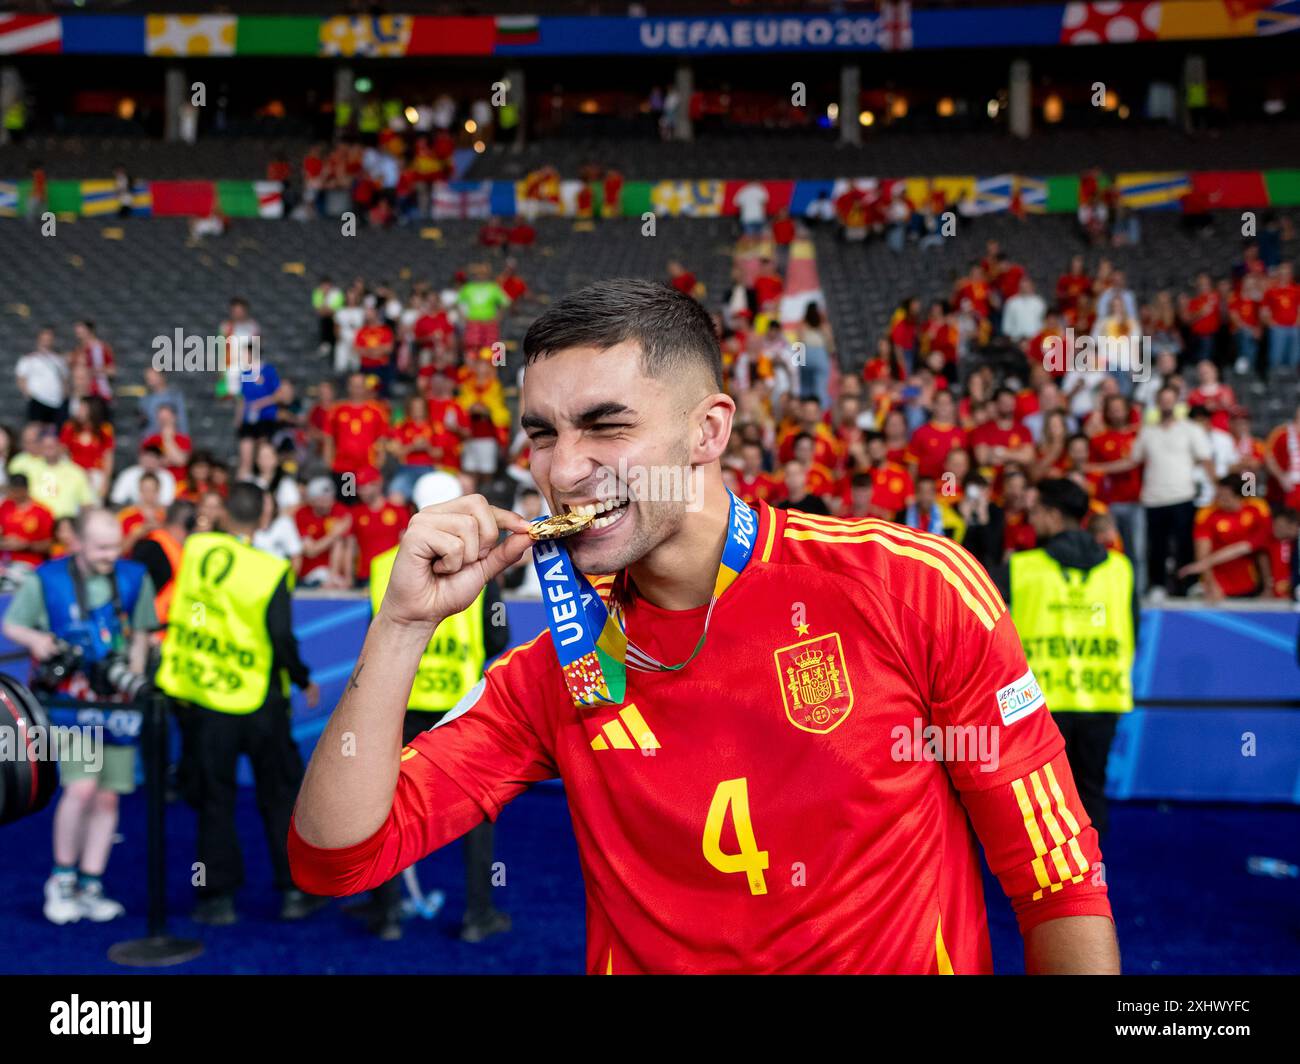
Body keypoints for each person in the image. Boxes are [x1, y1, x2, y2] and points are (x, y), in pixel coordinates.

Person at [288, 279, 1117, 974]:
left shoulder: (911, 589)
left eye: (607, 425)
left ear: (708, 430)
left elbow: (1057, 880)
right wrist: (400, 625)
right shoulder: (557, 672)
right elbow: (334, 859)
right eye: (542, 433)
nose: (564, 468)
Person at [156, 482, 324, 925]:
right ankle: (292, 892)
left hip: (208, 699)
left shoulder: (196, 550)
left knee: (214, 799)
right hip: (261, 701)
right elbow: (281, 637)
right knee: (279, 796)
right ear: (265, 519)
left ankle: (216, 899)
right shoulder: (270, 570)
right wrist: (303, 677)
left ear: (225, 512)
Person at [355, 471, 513, 942]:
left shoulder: (386, 564)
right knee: (476, 813)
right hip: (460, 708)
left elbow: (378, 633)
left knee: (381, 808)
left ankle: (385, 915)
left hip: (400, 705)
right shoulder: (483, 564)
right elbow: (497, 637)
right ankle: (477, 915)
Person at [2, 508, 158, 924]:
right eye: (101, 547)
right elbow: (12, 625)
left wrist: (135, 682)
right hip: (71, 707)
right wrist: (38, 639)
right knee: (83, 788)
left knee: (109, 796)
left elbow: (142, 634)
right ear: (78, 543)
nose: (110, 554)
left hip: (117, 706)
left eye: (115, 546)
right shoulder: (47, 578)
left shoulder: (133, 577)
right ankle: (62, 880)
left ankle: (91, 883)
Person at [999, 478, 1136, 840]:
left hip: (1042, 702)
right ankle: (1091, 878)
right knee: (1091, 791)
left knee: (1045, 800)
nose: (1031, 519)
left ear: (1054, 514)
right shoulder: (1120, 569)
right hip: (1103, 697)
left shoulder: (1023, 567)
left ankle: (1051, 883)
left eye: (1037, 512)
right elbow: (1131, 631)